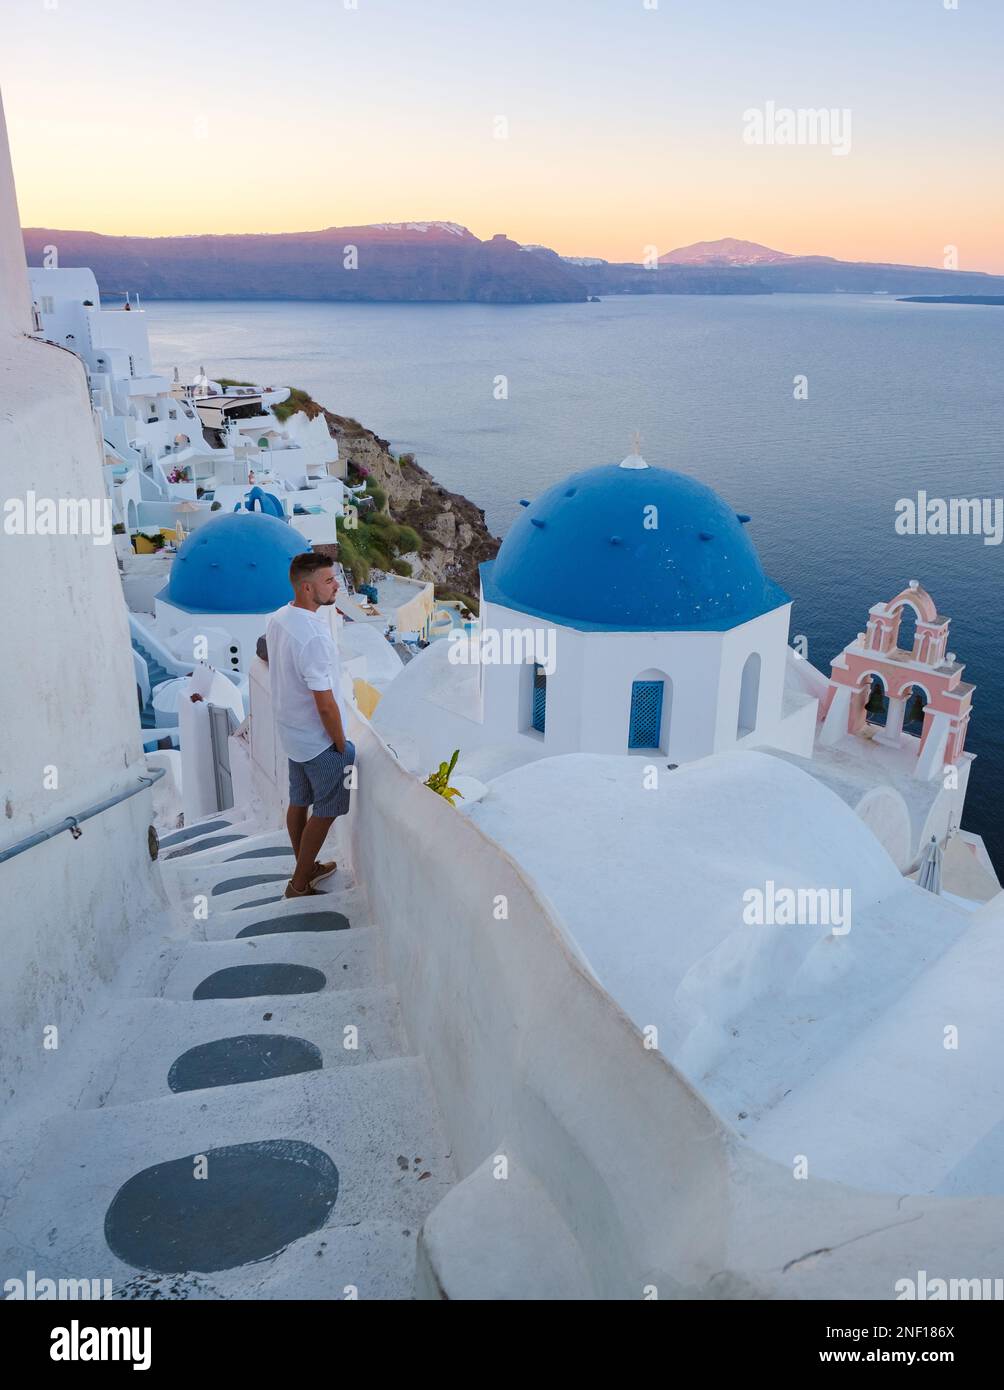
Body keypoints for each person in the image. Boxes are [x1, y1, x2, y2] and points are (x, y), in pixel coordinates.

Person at [265, 552, 356, 898]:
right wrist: (340, 744)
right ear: (307, 587)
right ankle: (299, 883)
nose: (336, 585)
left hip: (292, 735)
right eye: (328, 580)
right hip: (318, 742)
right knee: (328, 810)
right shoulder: (314, 637)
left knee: (299, 802)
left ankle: (305, 865)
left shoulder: (279, 617)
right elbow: (326, 704)